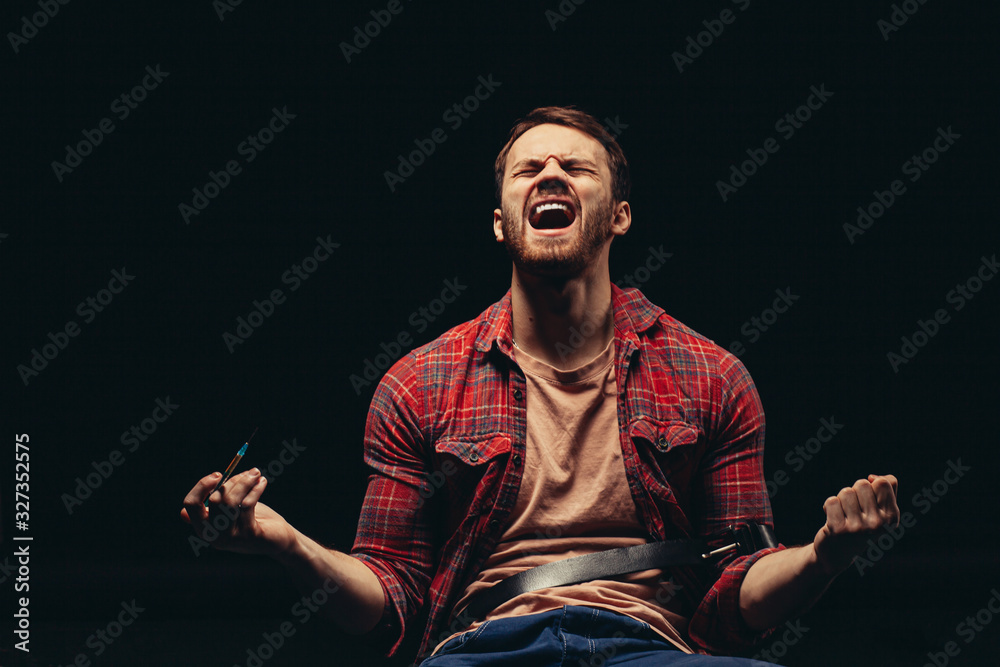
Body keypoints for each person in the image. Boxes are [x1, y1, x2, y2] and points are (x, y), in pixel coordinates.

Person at [181, 106, 901, 666]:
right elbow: (391, 606)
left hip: (653, 645)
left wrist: (822, 556)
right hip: (483, 646)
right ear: (501, 222)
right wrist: (286, 543)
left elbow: (736, 597)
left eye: (576, 168)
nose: (550, 175)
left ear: (618, 215)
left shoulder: (710, 374)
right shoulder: (420, 382)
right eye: (529, 170)